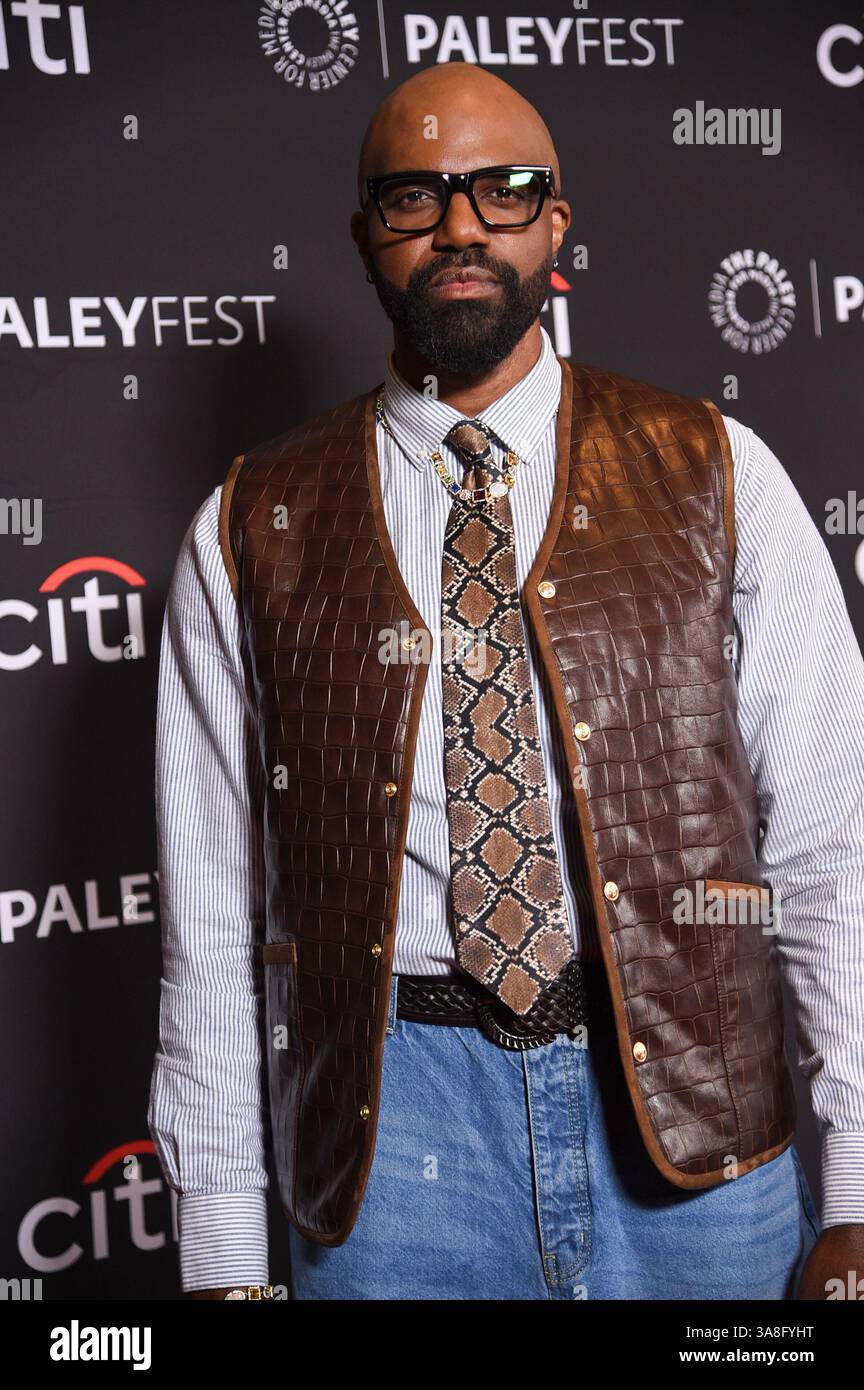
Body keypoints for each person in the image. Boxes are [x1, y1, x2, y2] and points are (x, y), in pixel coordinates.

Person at [147, 62, 864, 1301]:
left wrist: (855, 1187)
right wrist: (219, 1253)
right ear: (367, 233)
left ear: (556, 223)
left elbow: (831, 846)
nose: (463, 224)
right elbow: (213, 923)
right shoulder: (246, 522)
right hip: (390, 1147)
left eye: (504, 189)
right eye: (416, 197)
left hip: (694, 1128)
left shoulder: (717, 469)